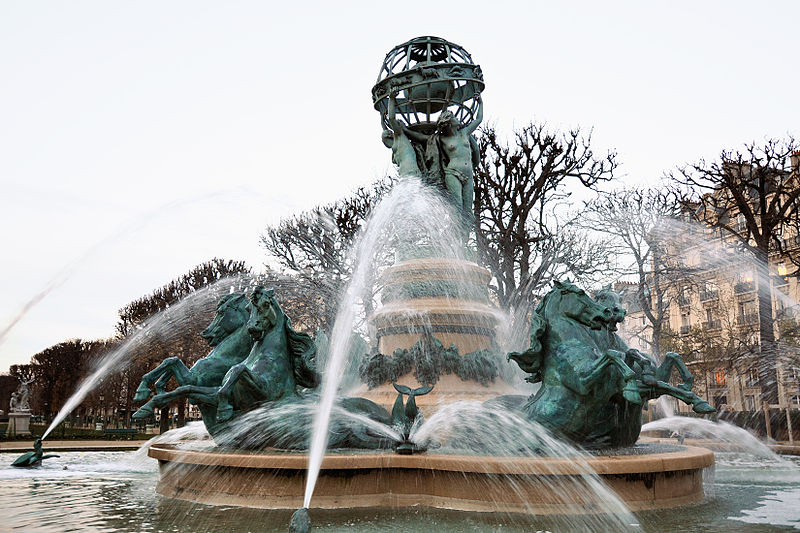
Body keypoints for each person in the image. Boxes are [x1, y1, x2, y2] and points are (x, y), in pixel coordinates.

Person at [402, 97, 483, 228]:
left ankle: (464, 241)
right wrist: (405, 131)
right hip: (452, 173)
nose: (458, 119)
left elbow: (478, 120)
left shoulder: (464, 133)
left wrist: (480, 103)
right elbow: (423, 138)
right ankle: (454, 236)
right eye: (454, 118)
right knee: (457, 209)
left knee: (468, 212)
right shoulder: (441, 138)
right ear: (449, 123)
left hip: (468, 175)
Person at [384, 92, 421, 178]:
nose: (401, 123)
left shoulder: (396, 146)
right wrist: (391, 98)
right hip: (410, 171)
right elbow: (391, 118)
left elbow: (385, 127)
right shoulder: (399, 136)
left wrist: (382, 119)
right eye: (399, 123)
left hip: (405, 172)